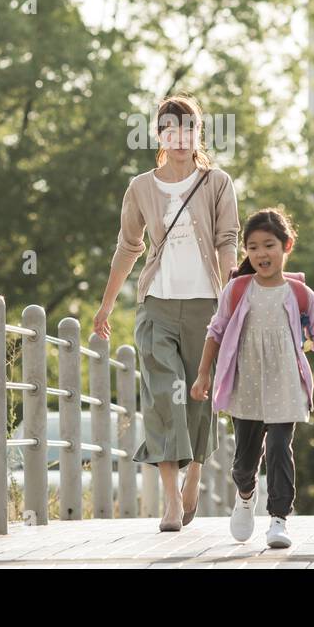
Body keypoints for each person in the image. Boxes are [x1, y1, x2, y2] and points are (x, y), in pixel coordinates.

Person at [94, 95, 240, 531]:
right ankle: (172, 501)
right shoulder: (141, 187)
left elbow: (227, 240)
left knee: (198, 397)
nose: (180, 138)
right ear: (159, 136)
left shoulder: (217, 183)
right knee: (163, 395)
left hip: (205, 308)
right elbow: (128, 248)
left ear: (199, 133)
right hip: (155, 305)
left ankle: (194, 475)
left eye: (188, 128)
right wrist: (105, 306)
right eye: (170, 130)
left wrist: (232, 294)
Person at [190, 207, 314, 548]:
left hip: (286, 383)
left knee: (279, 448)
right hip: (246, 385)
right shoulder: (236, 290)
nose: (261, 254)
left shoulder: (301, 295)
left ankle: (279, 519)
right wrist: (203, 374)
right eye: (253, 247)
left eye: (269, 245)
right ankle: (245, 495)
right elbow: (215, 331)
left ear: (286, 245)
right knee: (244, 463)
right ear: (246, 251)